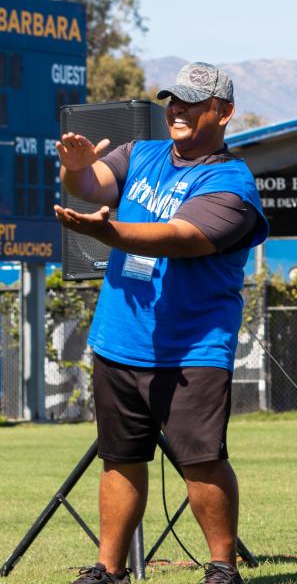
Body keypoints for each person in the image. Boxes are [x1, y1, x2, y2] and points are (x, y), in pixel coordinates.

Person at [54, 62, 269, 584]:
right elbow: (90, 184)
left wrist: (112, 235)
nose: (178, 109)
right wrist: (75, 168)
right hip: (119, 340)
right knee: (120, 458)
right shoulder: (141, 154)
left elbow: (180, 237)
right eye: (173, 99)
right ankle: (109, 569)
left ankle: (222, 566)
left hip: (190, 350)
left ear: (223, 112)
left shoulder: (231, 183)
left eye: (192, 101)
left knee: (200, 461)